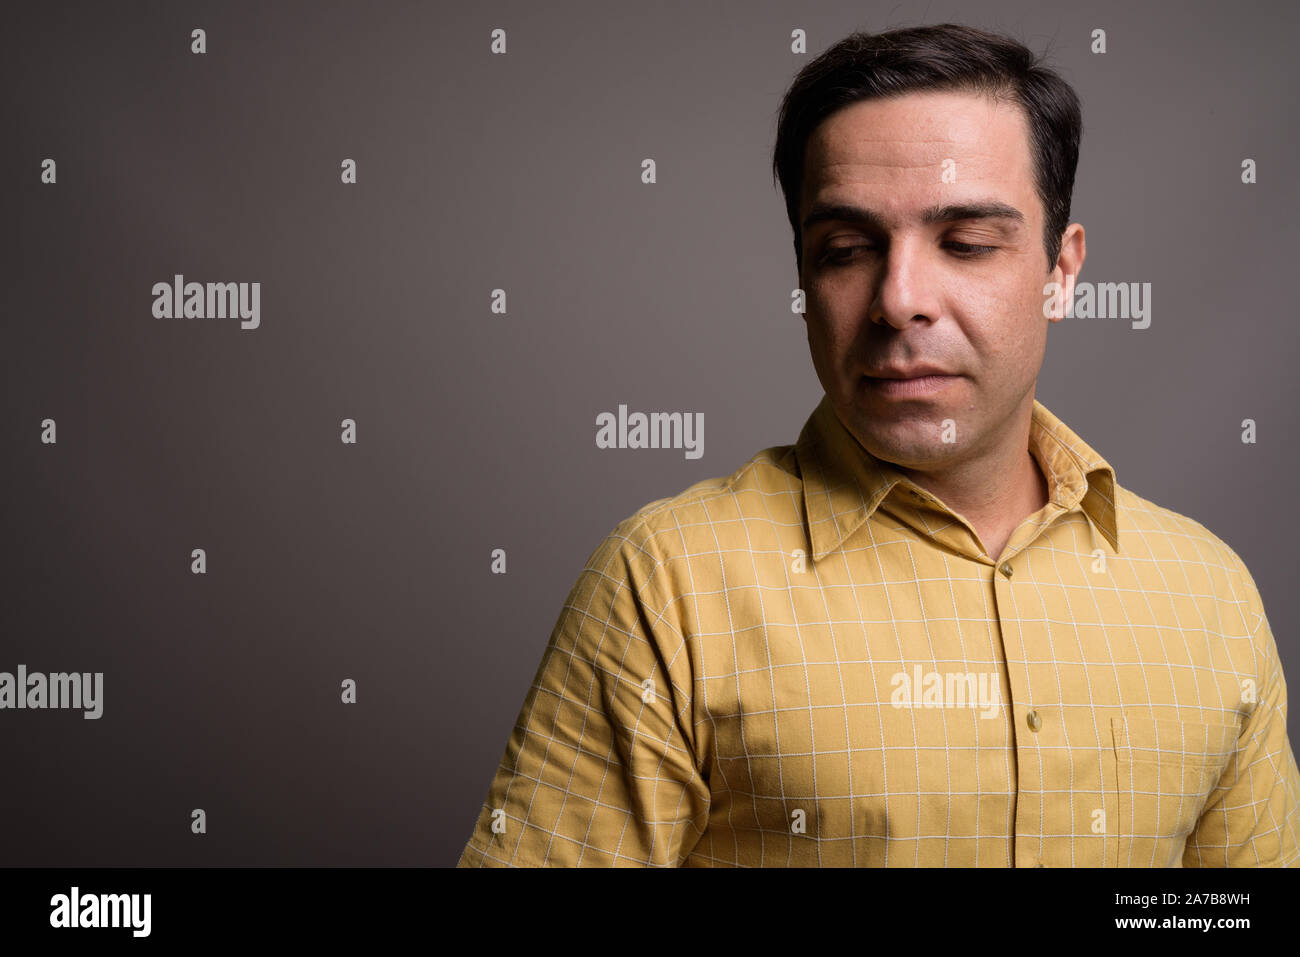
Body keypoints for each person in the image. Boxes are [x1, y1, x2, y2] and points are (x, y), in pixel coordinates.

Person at [456, 22, 1300, 867]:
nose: (898, 300)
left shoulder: (1210, 597)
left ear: (1062, 273)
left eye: (966, 243)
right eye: (846, 250)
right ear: (803, 279)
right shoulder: (666, 585)